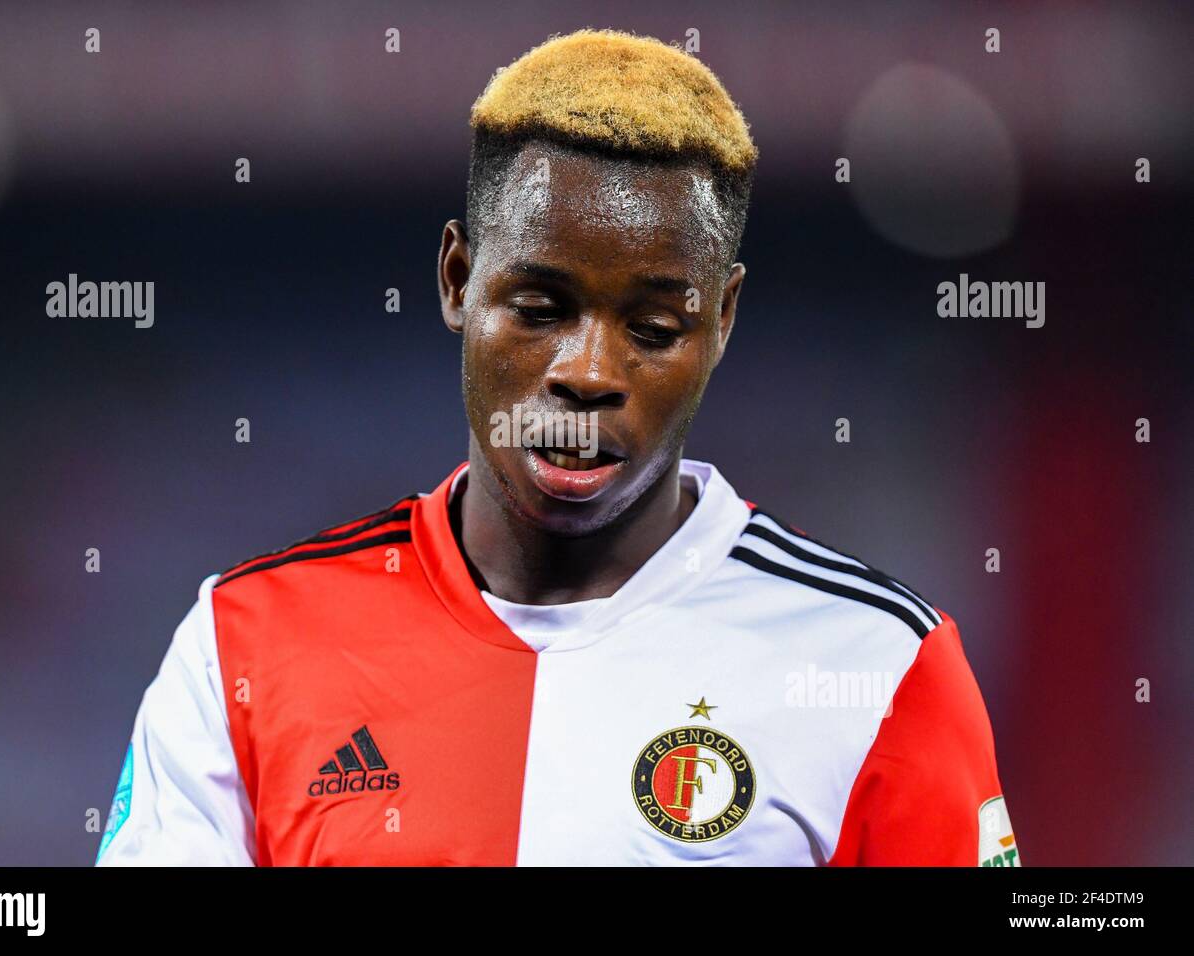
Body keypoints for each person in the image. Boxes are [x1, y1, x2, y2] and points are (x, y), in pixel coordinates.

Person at [95, 27, 1017, 867]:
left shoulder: (876, 663)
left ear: (723, 319)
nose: (586, 372)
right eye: (539, 311)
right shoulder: (245, 643)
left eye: (653, 328)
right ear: (459, 280)